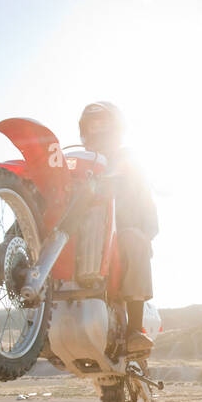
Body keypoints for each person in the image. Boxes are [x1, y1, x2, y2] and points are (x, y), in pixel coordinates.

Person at [78, 101, 159, 354]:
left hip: (119, 238)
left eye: (102, 124)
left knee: (135, 238)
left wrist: (142, 233)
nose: (97, 130)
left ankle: (135, 329)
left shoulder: (129, 161)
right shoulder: (79, 163)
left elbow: (150, 217)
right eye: (92, 125)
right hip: (76, 235)